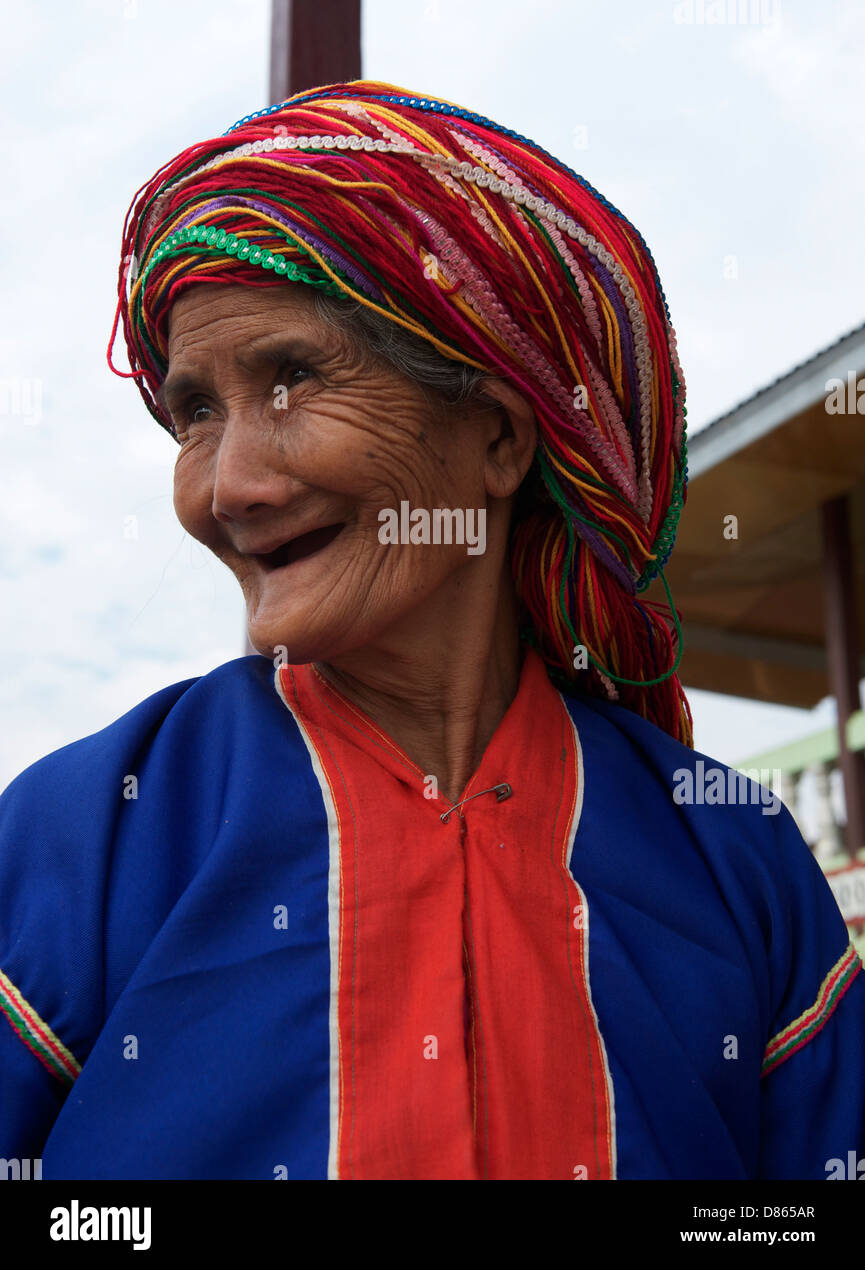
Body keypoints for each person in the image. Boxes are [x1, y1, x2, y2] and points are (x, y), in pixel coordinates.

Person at [1, 81, 861, 1180]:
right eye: (195, 412)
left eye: (293, 378)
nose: (230, 486)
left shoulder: (735, 865)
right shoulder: (85, 839)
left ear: (499, 440)